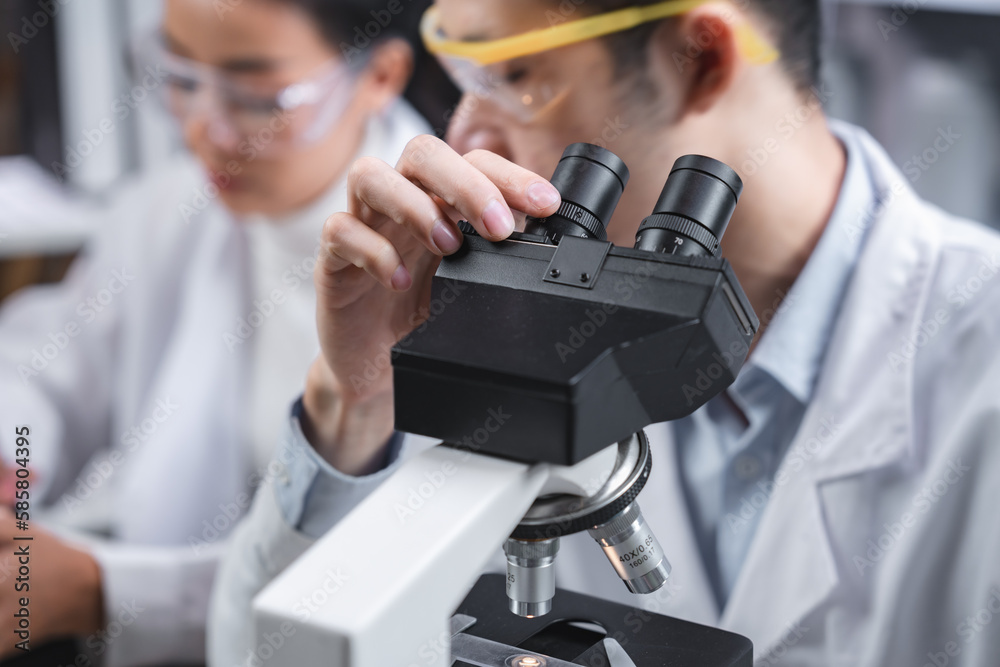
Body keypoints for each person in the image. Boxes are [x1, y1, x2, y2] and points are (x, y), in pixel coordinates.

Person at [209, 0, 1000, 665]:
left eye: (509, 78)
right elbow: (261, 647)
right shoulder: (492, 334)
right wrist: (358, 401)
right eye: (456, 83)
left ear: (698, 58)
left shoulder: (981, 367)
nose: (465, 136)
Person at [0, 0, 431, 663]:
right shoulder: (168, 212)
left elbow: (381, 572)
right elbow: (39, 371)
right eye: (178, 78)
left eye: (259, 97)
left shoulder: (432, 270)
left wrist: (103, 591)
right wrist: (11, 466)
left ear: (379, 75)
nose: (207, 130)